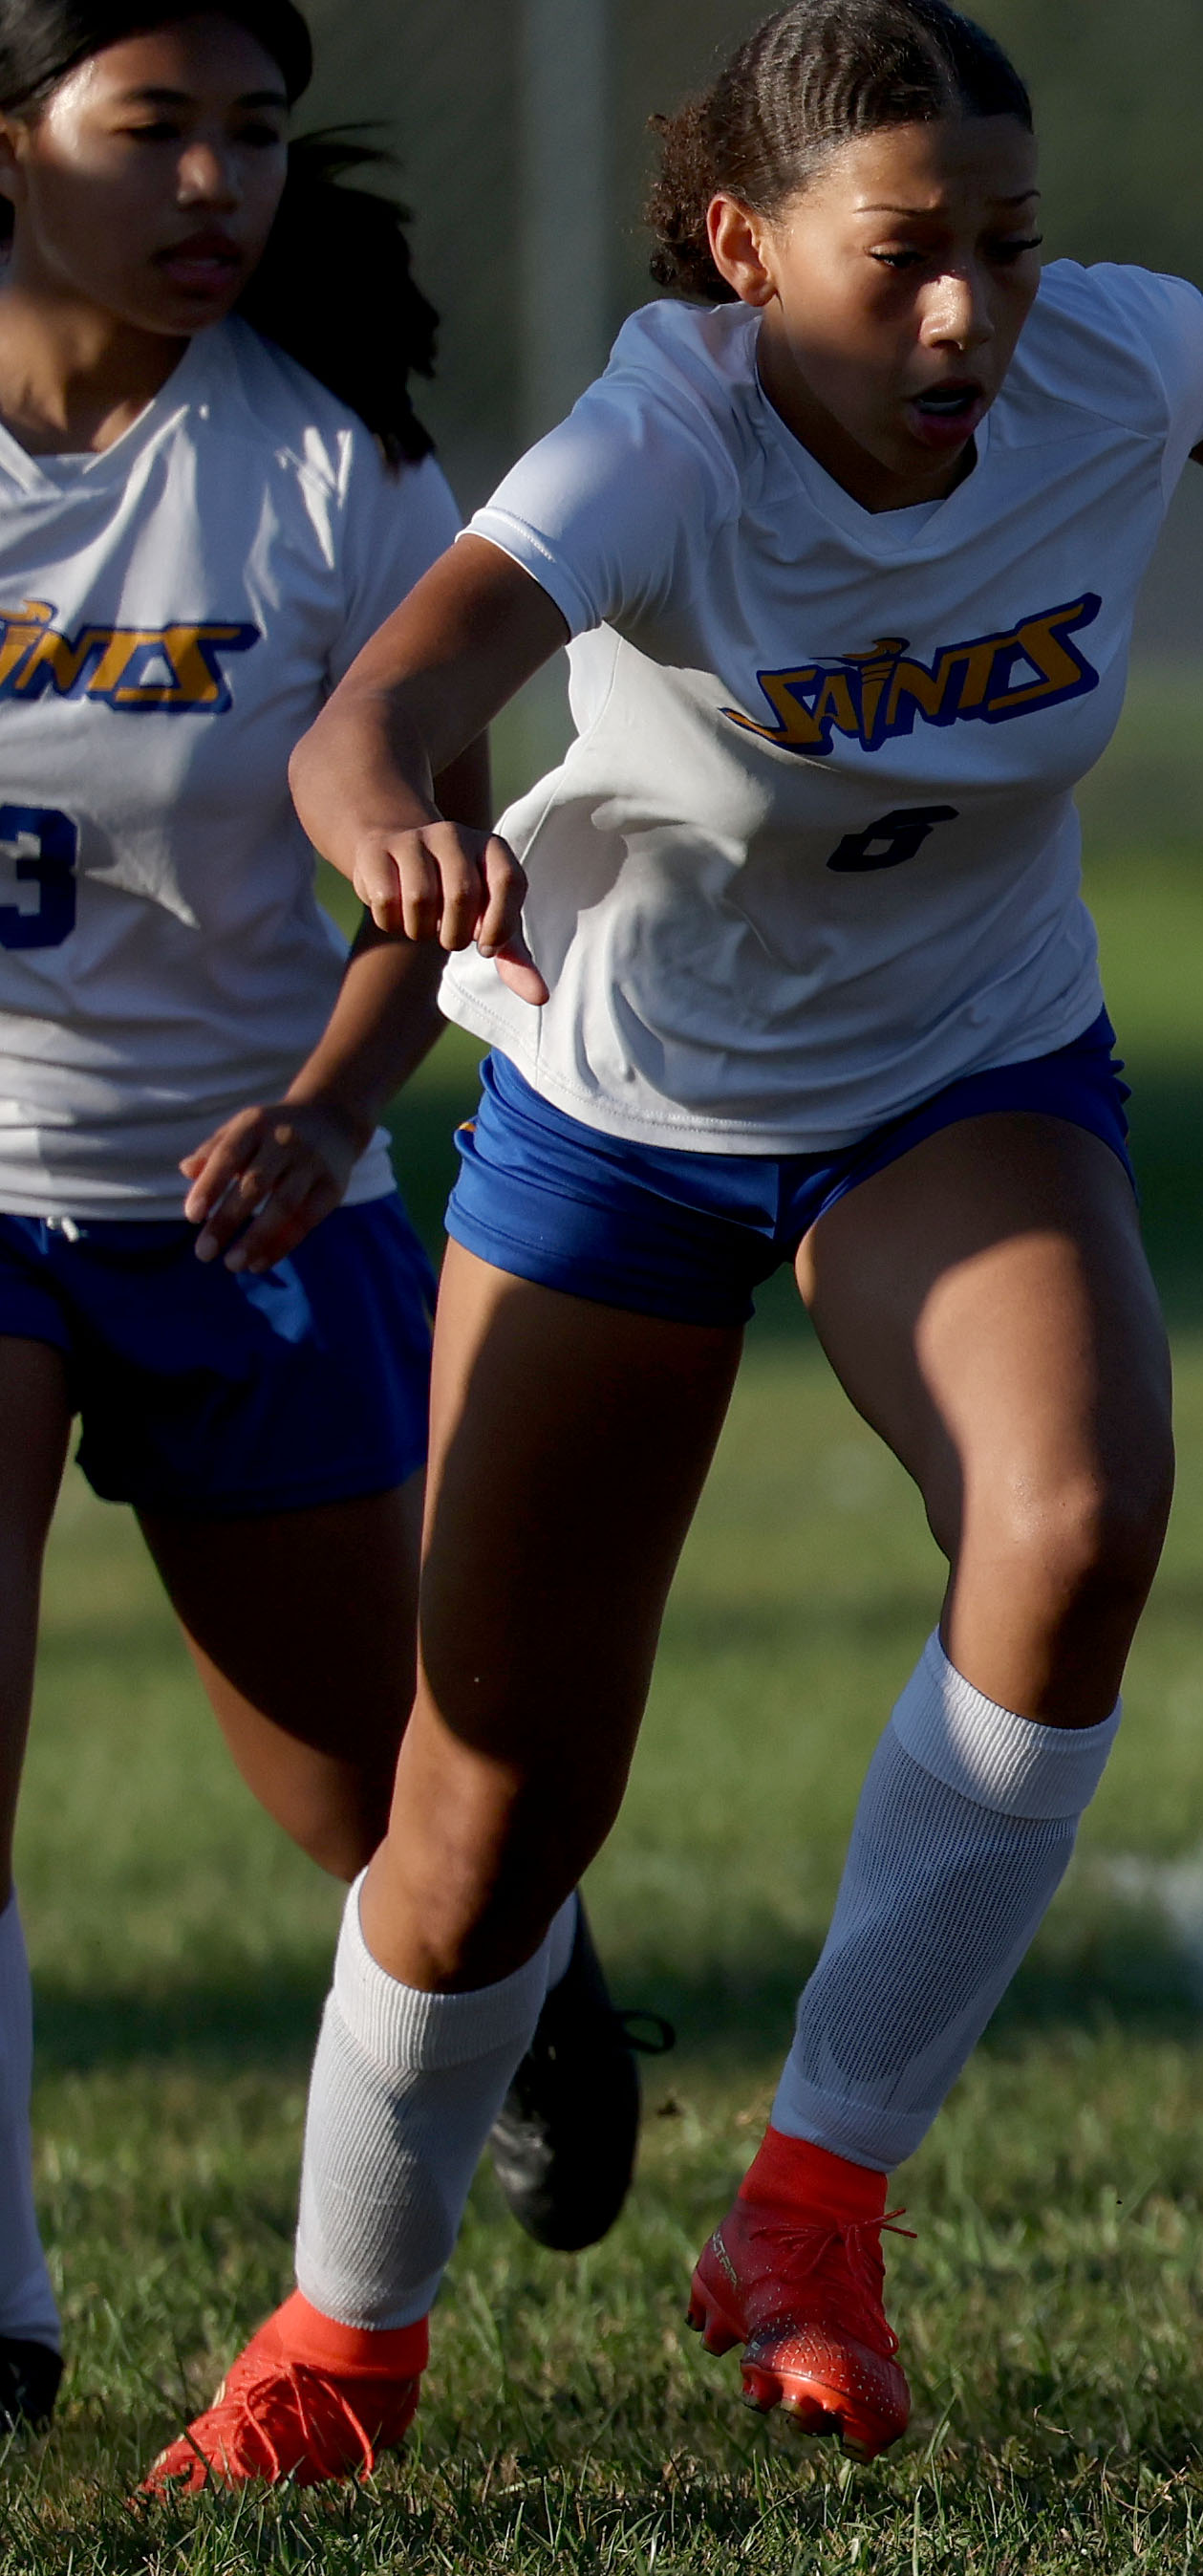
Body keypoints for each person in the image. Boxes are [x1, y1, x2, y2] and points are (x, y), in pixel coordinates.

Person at [146, 0, 1203, 2487]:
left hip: (958, 1079)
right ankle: (340, 2345)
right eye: (906, 260)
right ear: (746, 252)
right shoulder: (662, 438)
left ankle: (814, 2211)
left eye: (1009, 241)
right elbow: (380, 708)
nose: (974, 313)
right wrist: (392, 840)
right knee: (489, 1809)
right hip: (625, 1108)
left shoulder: (1125, 364)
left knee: (1075, 1519)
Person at [0, 0, 663, 2436]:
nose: (211, 184)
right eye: (148, 128)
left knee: (369, 1794)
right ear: (11, 146)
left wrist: (315, 1099)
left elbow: (439, 889)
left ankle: (533, 1971)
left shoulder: (333, 466)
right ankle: (5, 2305)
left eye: (252, 132)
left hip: (245, 1194)